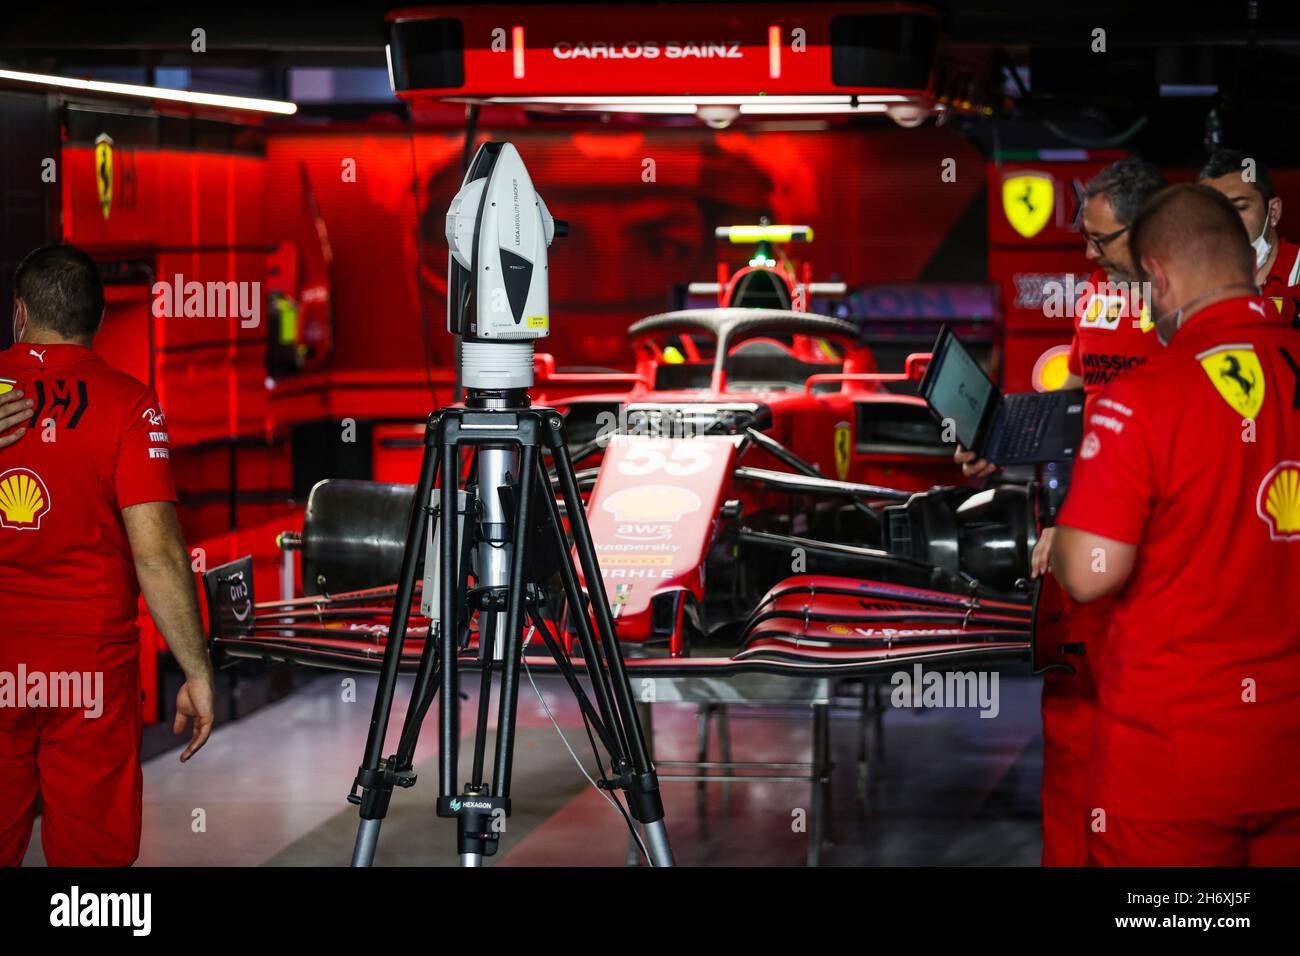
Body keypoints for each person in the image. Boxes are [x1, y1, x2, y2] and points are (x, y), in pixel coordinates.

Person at [1052, 184, 1300, 865]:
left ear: (1157, 278)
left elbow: (1092, 574)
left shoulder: (1141, 398)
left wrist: (1064, 529)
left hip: (1171, 767)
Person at [957, 158, 1166, 866]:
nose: (1088, 254)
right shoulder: (1101, 294)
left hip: (1133, 549)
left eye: (1101, 239)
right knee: (1073, 725)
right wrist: (1003, 441)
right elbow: (1077, 391)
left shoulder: (1186, 311)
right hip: (1077, 540)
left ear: (1148, 231)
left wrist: (1083, 518)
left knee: (1139, 739)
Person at [0, 243, 215, 866]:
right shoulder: (129, 404)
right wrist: (196, 670)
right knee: (91, 861)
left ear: (19, 313)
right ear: (97, 319)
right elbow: (158, 554)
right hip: (89, 668)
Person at [1198, 148, 1300, 327]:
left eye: (1240, 207)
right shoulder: (1190, 283)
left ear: (1273, 212)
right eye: (1211, 211)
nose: (1226, 222)